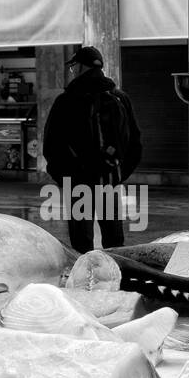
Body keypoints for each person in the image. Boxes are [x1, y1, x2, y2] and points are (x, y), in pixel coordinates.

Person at [42, 45, 142, 252]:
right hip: (110, 181)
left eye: (73, 66)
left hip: (77, 183)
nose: (72, 71)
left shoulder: (66, 100)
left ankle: (85, 278)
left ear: (81, 67)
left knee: (81, 242)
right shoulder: (120, 97)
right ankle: (116, 276)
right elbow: (135, 142)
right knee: (114, 240)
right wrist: (118, 174)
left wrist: (64, 178)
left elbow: (51, 145)